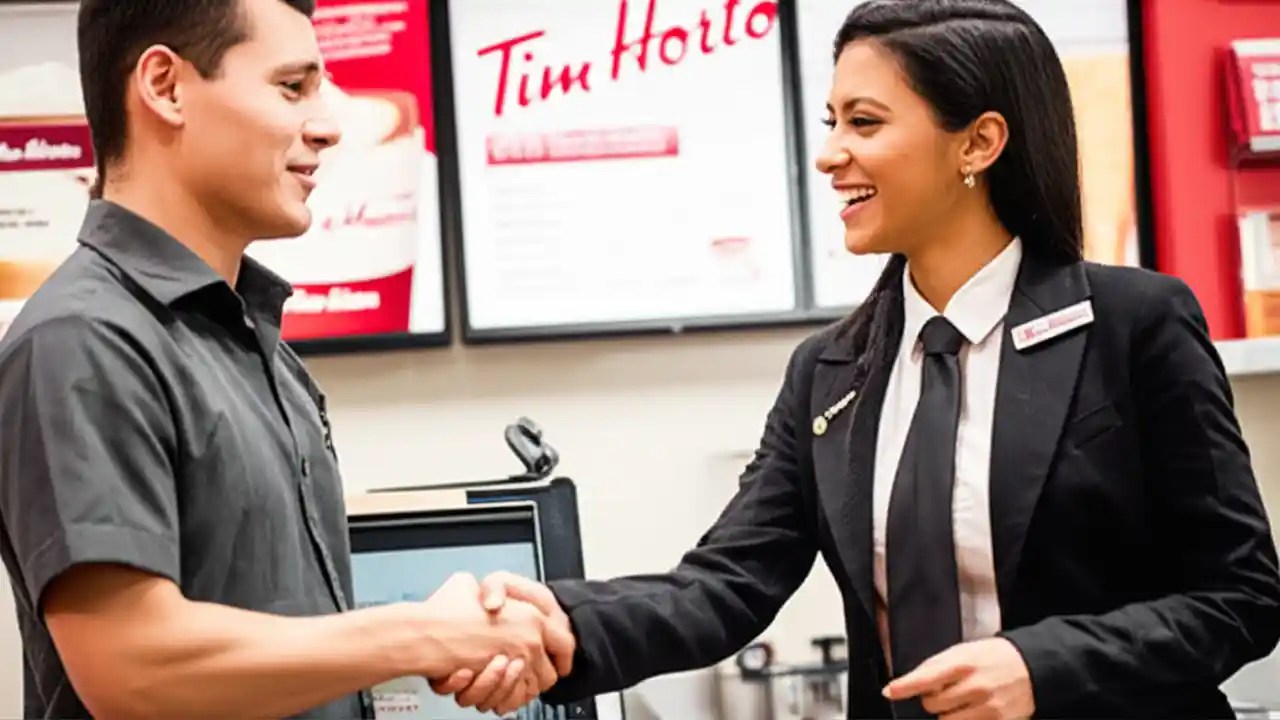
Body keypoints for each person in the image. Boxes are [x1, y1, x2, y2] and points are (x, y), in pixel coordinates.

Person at [444, 1, 1280, 717]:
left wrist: (1043, 667)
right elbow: (724, 585)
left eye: (866, 122)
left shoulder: (1135, 324)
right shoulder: (831, 369)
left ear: (978, 143)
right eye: (832, 121)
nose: (830, 153)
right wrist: (559, 621)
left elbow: (1241, 599)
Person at [0, 1, 571, 718]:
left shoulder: (247, 340)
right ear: (166, 87)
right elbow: (132, 665)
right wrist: (424, 634)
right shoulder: (81, 339)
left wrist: (458, 639)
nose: (329, 125)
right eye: (292, 88)